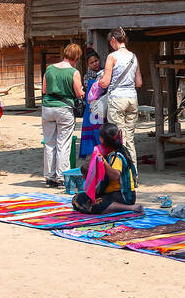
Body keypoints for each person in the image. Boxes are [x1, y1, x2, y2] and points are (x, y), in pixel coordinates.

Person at [71, 122, 144, 216]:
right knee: (77, 198)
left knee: (96, 205)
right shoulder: (108, 152)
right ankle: (110, 207)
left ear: (102, 139)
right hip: (108, 193)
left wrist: (103, 162)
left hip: (122, 195)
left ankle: (131, 208)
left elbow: (115, 175)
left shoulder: (117, 155)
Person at [42, 43, 84, 187]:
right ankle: (61, 176)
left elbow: (44, 89)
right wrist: (82, 92)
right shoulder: (74, 72)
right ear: (76, 57)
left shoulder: (49, 69)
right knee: (63, 143)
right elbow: (78, 92)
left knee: (49, 142)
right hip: (64, 109)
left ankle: (49, 176)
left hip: (47, 107)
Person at [98, 27, 142, 161]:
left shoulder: (112, 57)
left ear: (113, 40)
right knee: (129, 137)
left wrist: (99, 81)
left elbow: (105, 83)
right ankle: (133, 173)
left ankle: (121, 171)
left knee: (117, 137)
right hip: (132, 98)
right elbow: (139, 82)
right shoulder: (133, 57)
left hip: (117, 98)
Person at [79, 48, 104, 162]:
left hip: (103, 107)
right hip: (91, 109)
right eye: (91, 62)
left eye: (96, 61)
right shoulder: (86, 77)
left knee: (102, 131)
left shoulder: (105, 73)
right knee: (92, 131)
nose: (95, 64)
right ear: (88, 65)